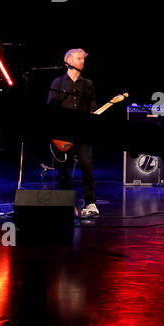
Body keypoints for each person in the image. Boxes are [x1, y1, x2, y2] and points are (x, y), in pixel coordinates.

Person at [46, 48, 98, 216]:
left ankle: (90, 202)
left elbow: (93, 107)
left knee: (86, 164)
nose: (82, 61)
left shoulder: (88, 84)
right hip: (63, 134)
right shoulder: (58, 83)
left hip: (83, 133)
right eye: (78, 58)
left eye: (83, 59)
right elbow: (50, 109)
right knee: (63, 169)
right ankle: (67, 202)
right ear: (68, 61)